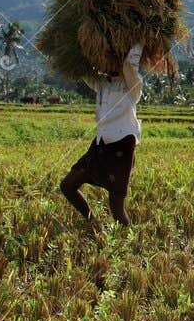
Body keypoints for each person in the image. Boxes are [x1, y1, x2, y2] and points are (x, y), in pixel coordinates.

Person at [58, 44, 143, 228]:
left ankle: (129, 240)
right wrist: (77, 48)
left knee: (116, 204)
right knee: (68, 185)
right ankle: (93, 223)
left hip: (122, 146)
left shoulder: (132, 85)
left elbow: (130, 65)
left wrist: (138, 41)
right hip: (100, 144)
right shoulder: (102, 84)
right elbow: (84, 71)